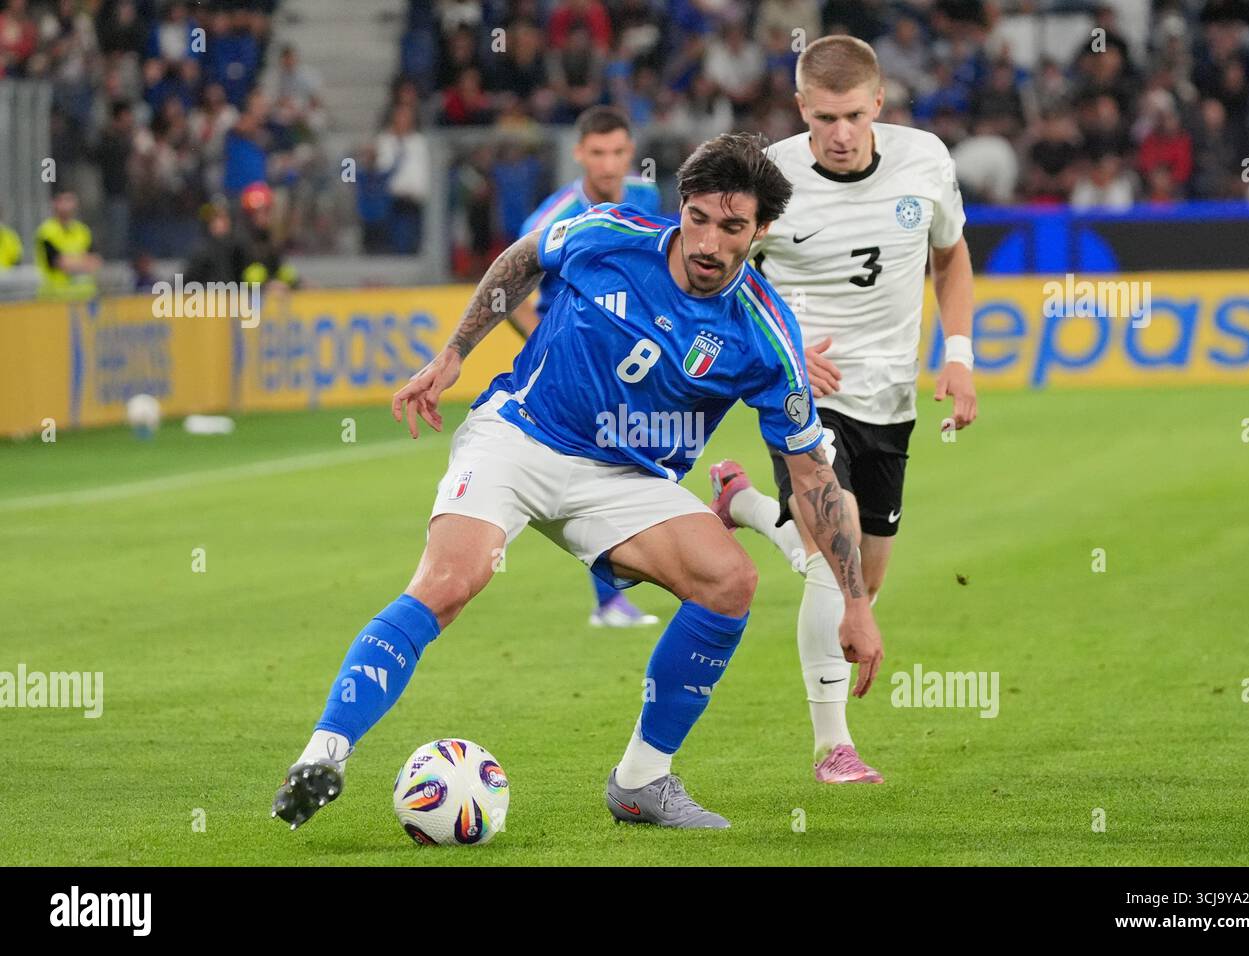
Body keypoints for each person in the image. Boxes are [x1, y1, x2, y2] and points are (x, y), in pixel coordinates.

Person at [272, 133, 885, 832]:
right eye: (700, 219)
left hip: (623, 480)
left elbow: (814, 480)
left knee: (730, 582)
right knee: (447, 584)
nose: (711, 242)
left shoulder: (764, 333)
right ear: (681, 207)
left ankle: (641, 782)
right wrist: (454, 353)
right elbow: (524, 257)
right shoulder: (608, 232)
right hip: (520, 437)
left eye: (734, 226)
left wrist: (856, 604)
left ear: (762, 230)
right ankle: (324, 754)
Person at [708, 35, 977, 785]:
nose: (841, 133)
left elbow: (951, 258)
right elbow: (715, 283)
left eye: (855, 114)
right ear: (801, 109)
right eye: (824, 117)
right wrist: (781, 347)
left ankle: (750, 507)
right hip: (802, 395)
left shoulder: (926, 159)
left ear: (880, 104)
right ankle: (834, 746)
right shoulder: (768, 182)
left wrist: (961, 355)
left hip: (890, 402)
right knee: (840, 555)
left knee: (855, 568)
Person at [510, 104, 663, 628]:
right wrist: (548, 342)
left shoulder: (645, 196)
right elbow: (511, 295)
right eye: (598, 153)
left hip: (626, 359)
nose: (609, 163)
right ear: (579, 154)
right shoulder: (549, 220)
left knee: (631, 464)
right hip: (573, 366)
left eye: (618, 151)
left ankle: (617, 591)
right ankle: (611, 599)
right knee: (610, 467)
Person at [33, 190, 100, 300]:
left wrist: (70, 261)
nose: (67, 205)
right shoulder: (46, 232)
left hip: (84, 298)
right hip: (55, 298)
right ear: (54, 203)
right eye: (62, 200)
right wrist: (82, 261)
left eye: (69, 200)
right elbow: (59, 262)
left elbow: (95, 262)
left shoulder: (83, 231)